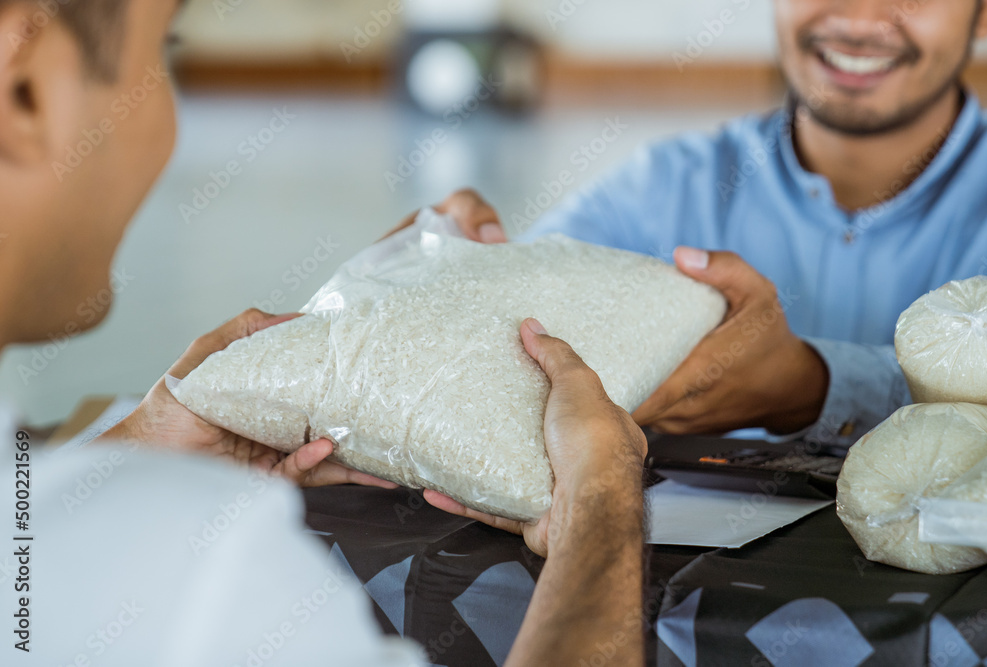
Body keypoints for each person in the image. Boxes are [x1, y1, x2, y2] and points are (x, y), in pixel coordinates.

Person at [0, 0, 645, 664]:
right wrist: (598, 503)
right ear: (26, 89)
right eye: (165, 48)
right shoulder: (206, 574)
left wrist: (129, 450)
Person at [414, 0, 987, 448]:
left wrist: (814, 388)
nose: (863, 17)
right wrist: (430, 284)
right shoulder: (661, 185)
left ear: (986, 13)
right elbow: (512, 336)